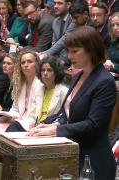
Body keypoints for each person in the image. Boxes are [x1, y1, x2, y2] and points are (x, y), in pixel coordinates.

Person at [29, 26, 116, 180]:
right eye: (68, 51)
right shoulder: (77, 76)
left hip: (93, 160)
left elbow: (94, 124)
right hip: (72, 153)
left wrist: (57, 131)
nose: (69, 56)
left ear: (91, 50)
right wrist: (53, 124)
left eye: (75, 51)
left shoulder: (105, 81)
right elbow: (67, 113)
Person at [0, 49, 43, 135]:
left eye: (29, 62)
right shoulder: (20, 83)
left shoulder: (41, 84)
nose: (26, 65)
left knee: (0, 132)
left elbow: (35, 114)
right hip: (18, 120)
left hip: (30, 123)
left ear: (37, 64)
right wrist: (8, 115)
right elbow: (15, 108)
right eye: (23, 63)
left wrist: (15, 119)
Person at [6, 56, 68, 132]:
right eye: (43, 70)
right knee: (15, 125)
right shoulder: (39, 89)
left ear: (56, 72)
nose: (45, 73)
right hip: (35, 125)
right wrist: (31, 124)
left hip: (50, 127)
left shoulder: (64, 92)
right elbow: (32, 114)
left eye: (49, 70)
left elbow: (64, 117)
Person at [107, 12, 119, 76]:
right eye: (112, 25)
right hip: (111, 75)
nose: (115, 28)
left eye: (118, 24)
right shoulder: (114, 41)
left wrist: (112, 65)